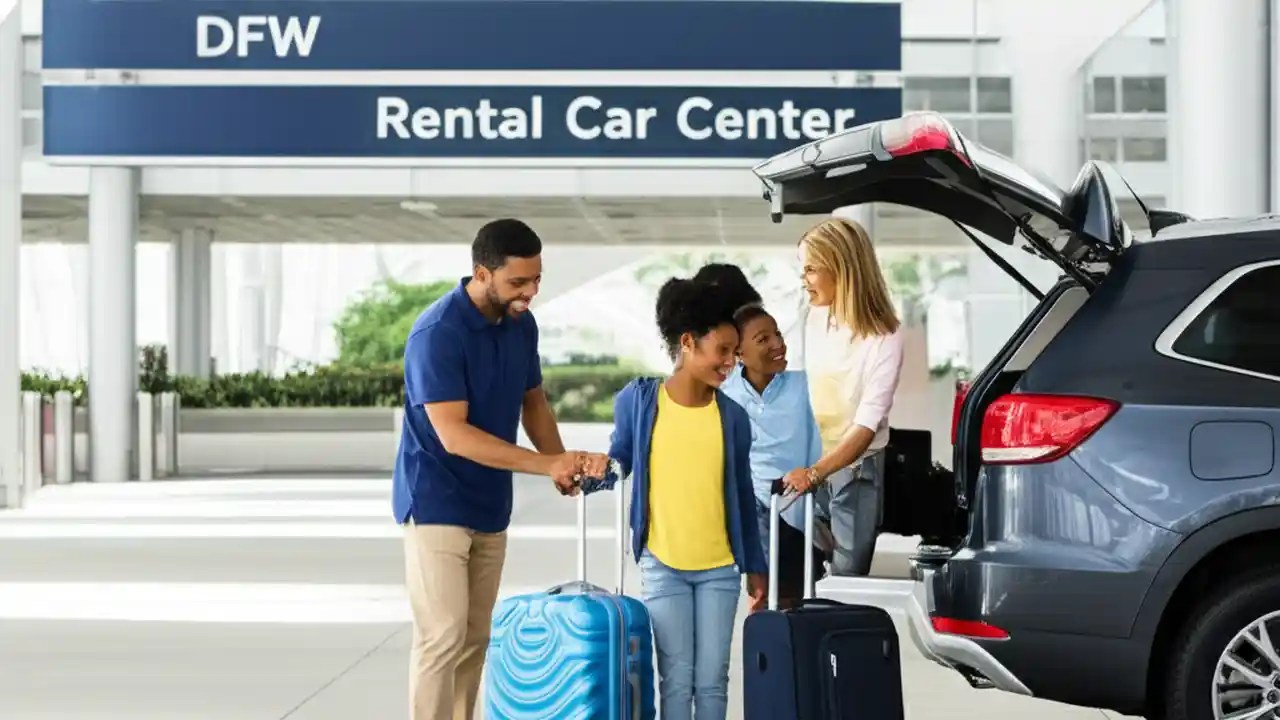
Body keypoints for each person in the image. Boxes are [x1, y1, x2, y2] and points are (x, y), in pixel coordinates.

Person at [393, 218, 605, 720]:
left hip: (490, 504)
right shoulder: (437, 332)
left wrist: (563, 463)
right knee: (442, 635)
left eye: (536, 280)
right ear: (481, 273)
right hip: (436, 501)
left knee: (475, 637)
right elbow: (454, 433)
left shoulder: (520, 323)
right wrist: (544, 463)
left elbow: (533, 402)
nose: (530, 292)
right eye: (518, 282)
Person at [581, 276, 767, 720]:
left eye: (734, 353)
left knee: (713, 681)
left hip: (720, 567)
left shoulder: (733, 418)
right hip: (662, 564)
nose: (730, 364)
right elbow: (619, 462)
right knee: (676, 680)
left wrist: (756, 565)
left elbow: (742, 493)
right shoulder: (640, 403)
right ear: (688, 343)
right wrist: (588, 477)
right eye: (722, 351)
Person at [782, 216, 905, 578]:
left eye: (811, 269)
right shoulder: (813, 317)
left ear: (841, 267)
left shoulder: (886, 335)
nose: (803, 279)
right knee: (801, 574)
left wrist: (817, 472)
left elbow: (867, 425)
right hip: (810, 463)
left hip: (855, 469)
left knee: (846, 578)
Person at [721, 300, 828, 608]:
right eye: (763, 339)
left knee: (794, 603)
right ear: (739, 353)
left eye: (778, 335)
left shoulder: (803, 386)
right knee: (764, 601)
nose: (778, 344)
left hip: (798, 508)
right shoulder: (726, 395)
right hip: (753, 514)